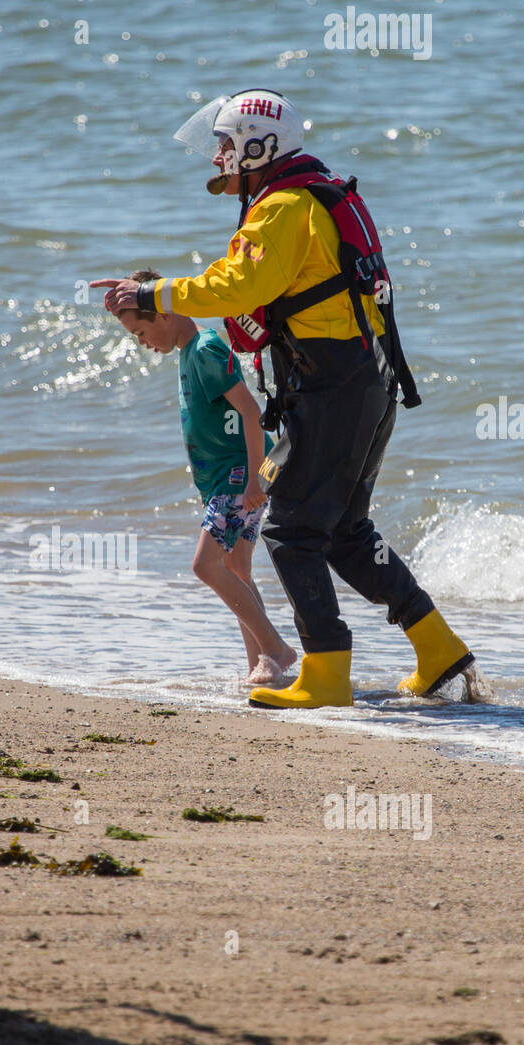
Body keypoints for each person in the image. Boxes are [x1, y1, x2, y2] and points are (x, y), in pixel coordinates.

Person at [92, 89, 473, 709]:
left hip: (331, 388)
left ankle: (324, 673)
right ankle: (438, 647)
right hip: (365, 383)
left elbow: (238, 283)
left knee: (293, 532)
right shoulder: (311, 194)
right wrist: (156, 293)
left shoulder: (283, 207)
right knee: (346, 532)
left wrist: (155, 294)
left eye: (223, 144)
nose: (217, 156)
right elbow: (260, 300)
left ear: (256, 145)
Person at [102, 269, 297, 687]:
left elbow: (250, 412)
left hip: (238, 477)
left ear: (165, 315)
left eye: (140, 332)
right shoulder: (189, 351)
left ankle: (275, 649)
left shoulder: (206, 349)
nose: (143, 344)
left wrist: (251, 484)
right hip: (231, 479)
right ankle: (262, 668)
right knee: (237, 569)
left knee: (205, 566)